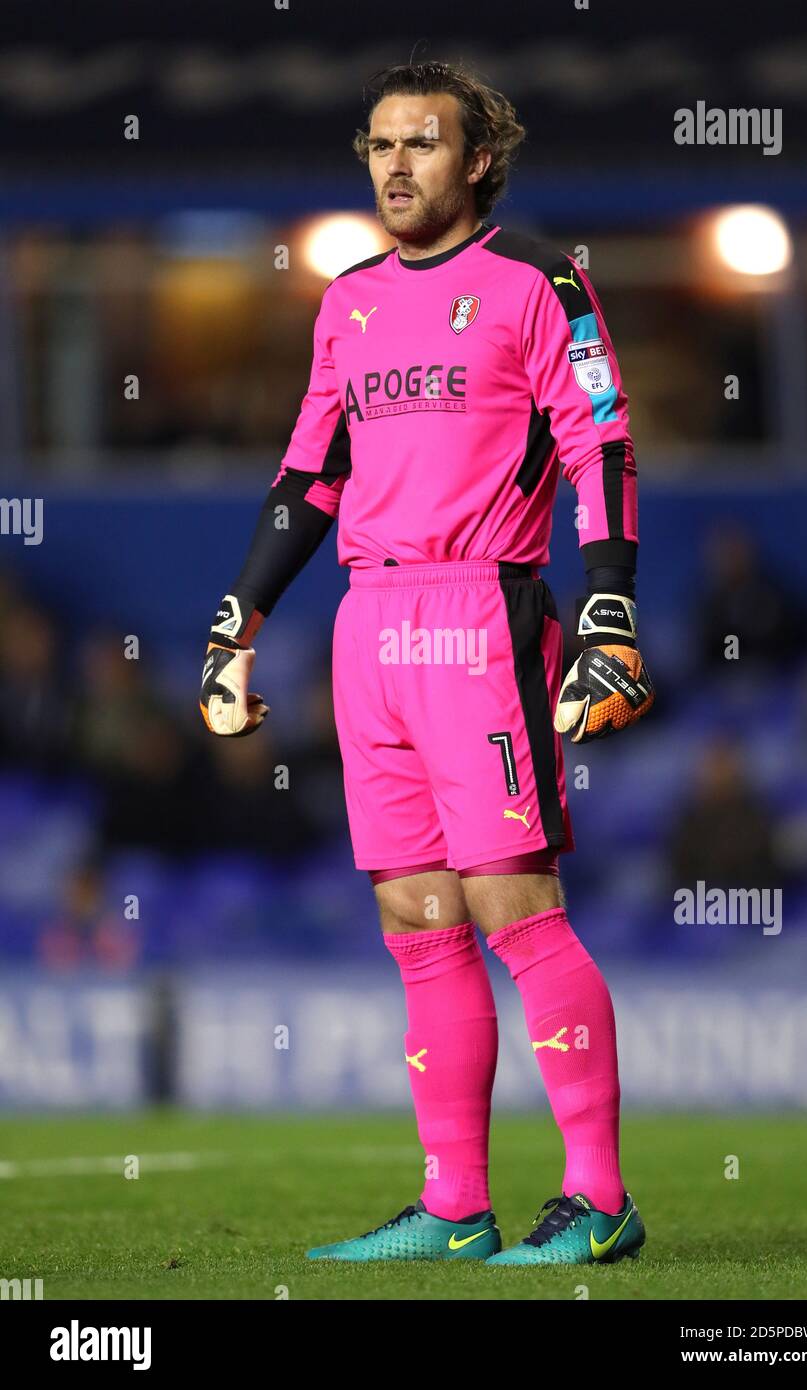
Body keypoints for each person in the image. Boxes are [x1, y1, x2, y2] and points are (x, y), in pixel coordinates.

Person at [199, 60, 654, 1266]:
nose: (396, 166)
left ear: (476, 161)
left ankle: (597, 1196)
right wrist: (238, 622)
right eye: (380, 146)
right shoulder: (343, 303)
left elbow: (598, 443)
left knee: (514, 908)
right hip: (368, 627)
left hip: (481, 615)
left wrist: (605, 611)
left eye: (423, 144)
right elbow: (308, 479)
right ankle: (454, 1204)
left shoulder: (539, 283)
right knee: (417, 918)